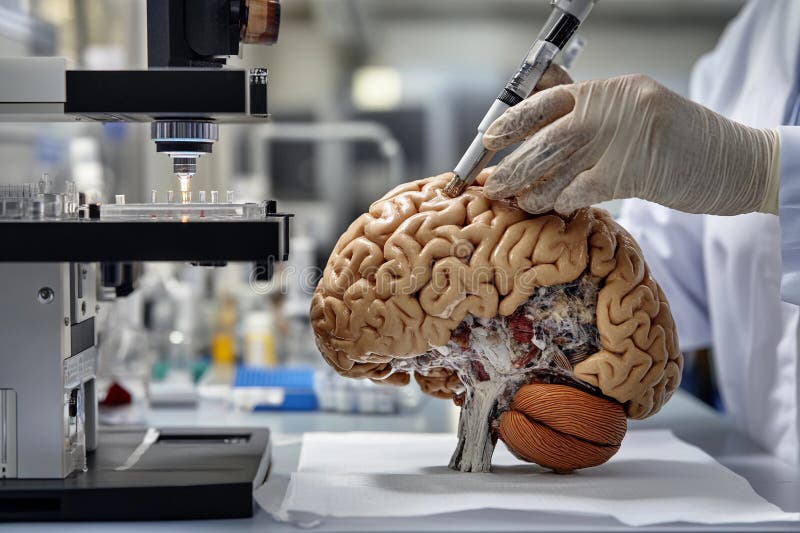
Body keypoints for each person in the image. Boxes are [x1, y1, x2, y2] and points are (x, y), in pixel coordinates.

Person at [483, 0, 800, 465]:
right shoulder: (758, 33)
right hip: (770, 481)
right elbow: (662, 276)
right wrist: (549, 261)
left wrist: (765, 169)